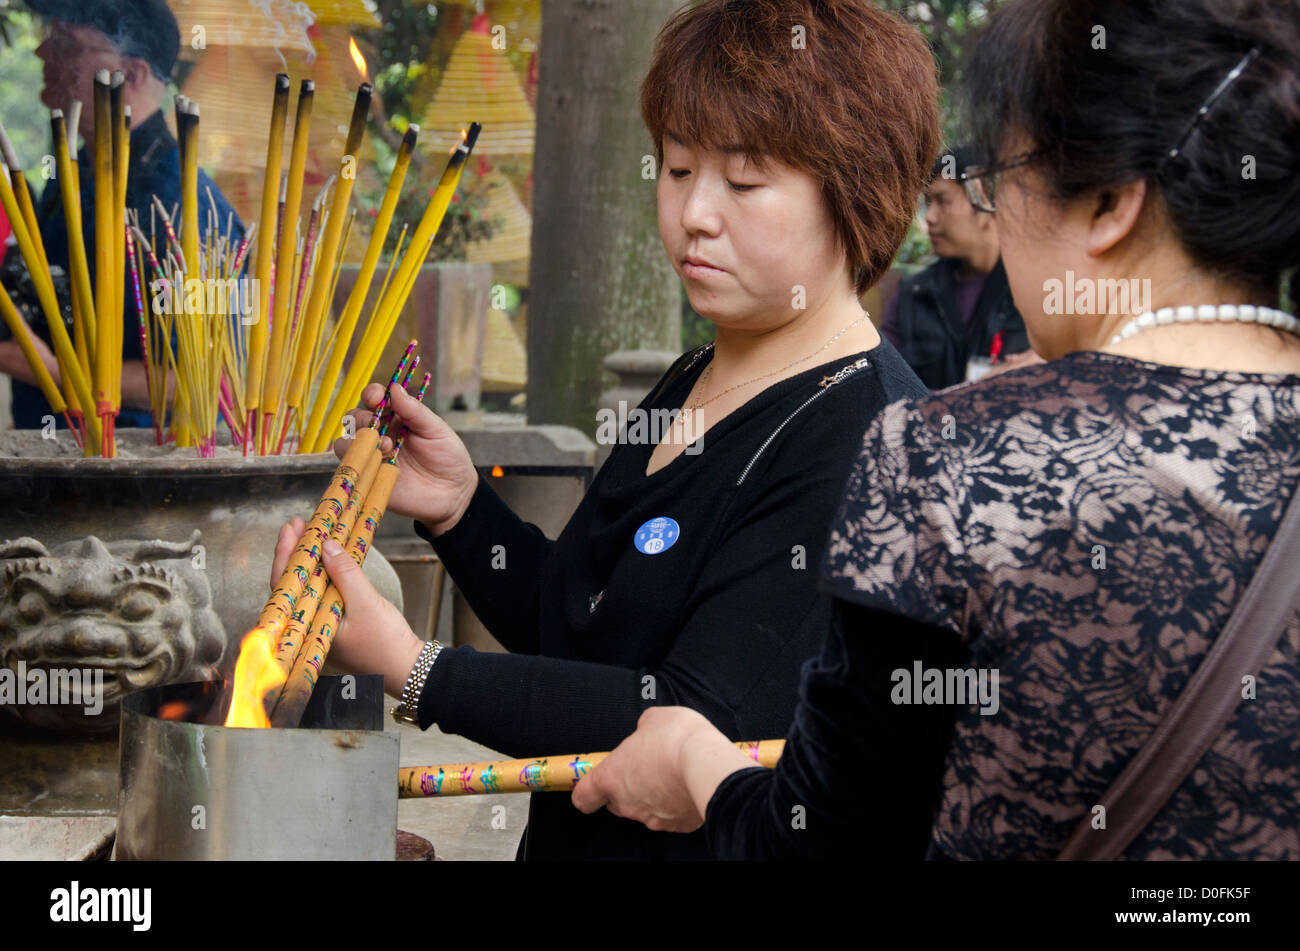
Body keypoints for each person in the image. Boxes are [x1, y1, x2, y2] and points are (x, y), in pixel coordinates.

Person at [571, 0, 1300, 861]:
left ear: (1108, 203)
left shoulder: (944, 457)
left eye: (1005, 178)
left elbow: (823, 846)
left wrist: (698, 763)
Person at [270, 0, 937, 860]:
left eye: (742, 182)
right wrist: (464, 513)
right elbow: (581, 626)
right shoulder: (693, 374)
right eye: (677, 169)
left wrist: (414, 666)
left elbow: (686, 724)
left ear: (857, 188)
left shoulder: (869, 438)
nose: (695, 213)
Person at [0, 0, 244, 431]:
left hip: (141, 478)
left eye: (66, 44)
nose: (41, 52)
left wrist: (51, 369)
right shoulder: (71, 176)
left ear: (130, 74)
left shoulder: (187, 207)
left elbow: (208, 379)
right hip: (47, 463)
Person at [879, 145, 1035, 389]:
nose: (929, 217)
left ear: (985, 196)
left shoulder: (1033, 292)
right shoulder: (913, 294)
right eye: (928, 203)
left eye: (942, 200)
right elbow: (884, 382)